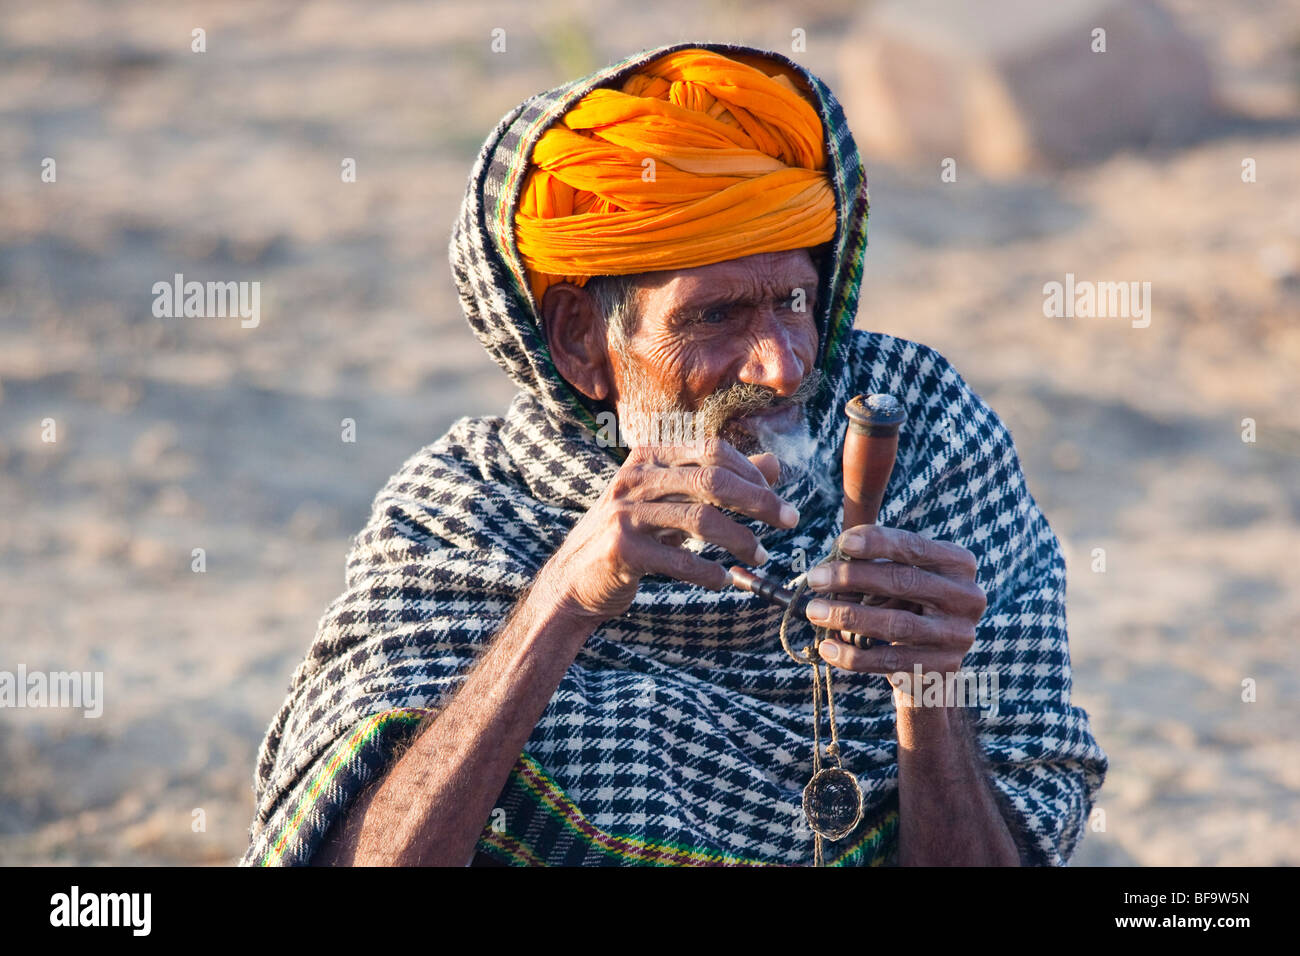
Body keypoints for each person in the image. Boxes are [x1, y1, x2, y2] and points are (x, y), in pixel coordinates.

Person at [242, 43, 1107, 867]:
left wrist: (928, 691)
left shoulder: (925, 443)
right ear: (581, 340)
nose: (783, 365)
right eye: (716, 316)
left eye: (795, 303)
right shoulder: (465, 514)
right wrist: (560, 603)